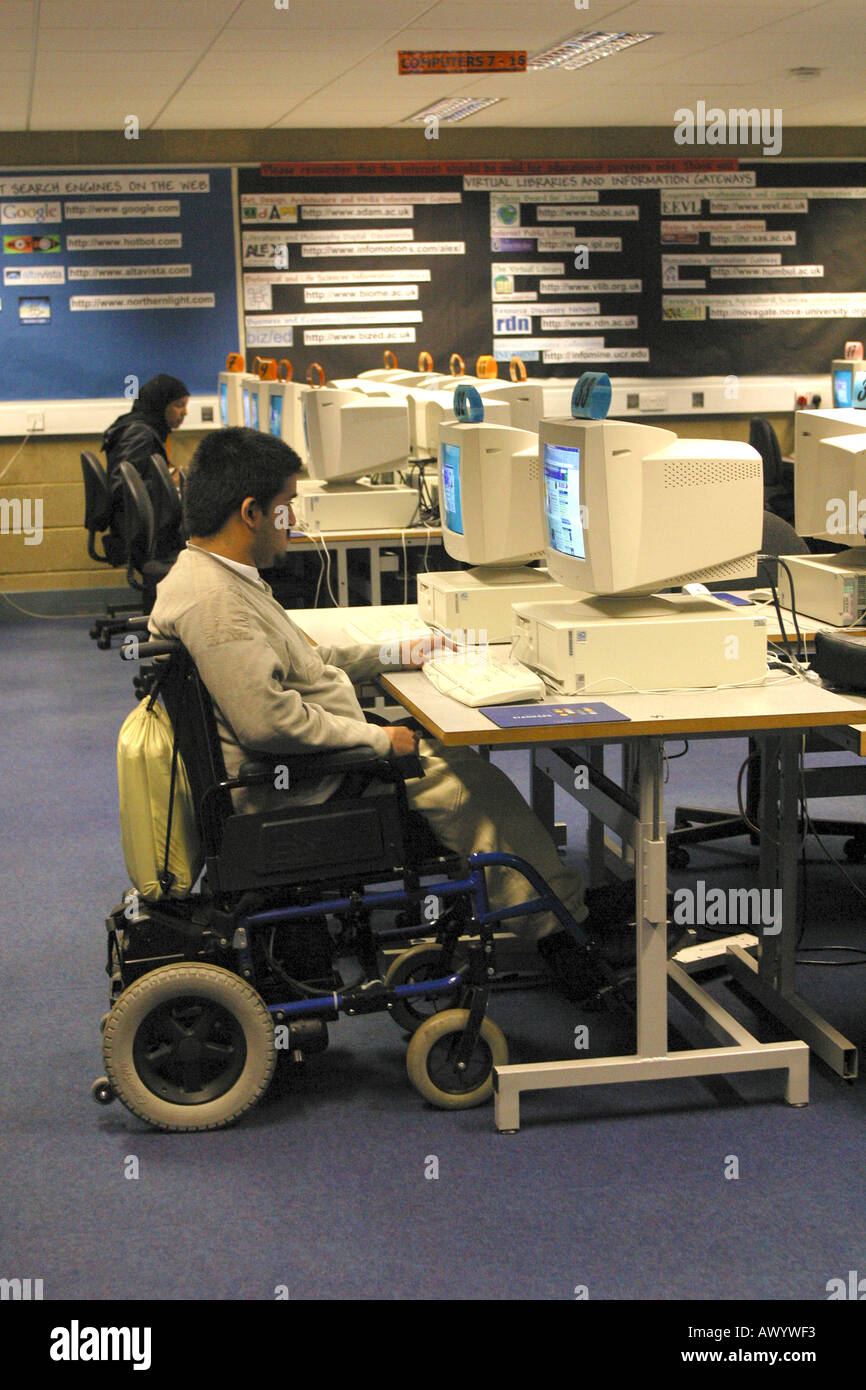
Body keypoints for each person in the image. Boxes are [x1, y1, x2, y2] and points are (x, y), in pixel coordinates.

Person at [148, 428, 631, 995]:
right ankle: (562, 938)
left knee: (464, 766)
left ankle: (559, 906)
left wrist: (392, 653)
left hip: (311, 768)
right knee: (463, 785)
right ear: (251, 512)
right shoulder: (218, 605)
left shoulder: (212, 578)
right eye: (287, 506)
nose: (295, 521)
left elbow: (302, 661)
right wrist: (379, 743)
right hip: (301, 788)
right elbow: (268, 721)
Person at [101, 374, 190, 564]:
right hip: (141, 531)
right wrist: (166, 483)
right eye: (179, 405)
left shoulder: (144, 427)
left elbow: (140, 473)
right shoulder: (140, 434)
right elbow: (122, 486)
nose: (185, 413)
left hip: (139, 526)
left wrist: (169, 476)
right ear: (160, 405)